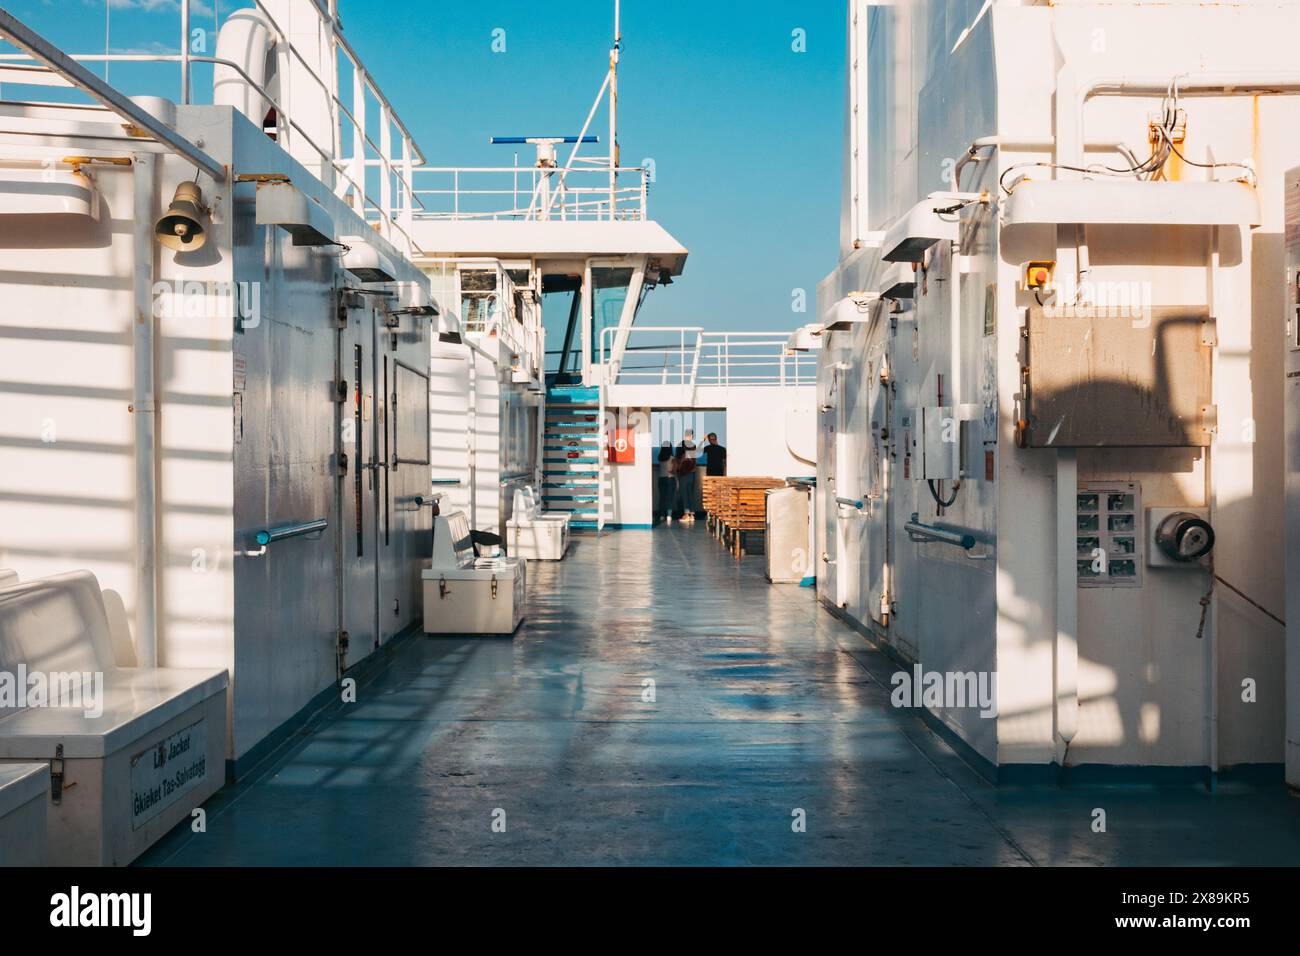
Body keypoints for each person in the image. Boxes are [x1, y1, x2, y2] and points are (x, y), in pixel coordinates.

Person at [674, 429, 705, 521]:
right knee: (689, 493)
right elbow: (694, 456)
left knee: (685, 494)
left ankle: (687, 514)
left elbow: (677, 459)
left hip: (684, 473)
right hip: (691, 472)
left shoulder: (681, 445)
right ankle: (691, 514)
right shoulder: (692, 446)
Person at [655, 442, 676, 523]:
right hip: (670, 479)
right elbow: (674, 471)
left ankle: (661, 515)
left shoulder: (660, 458)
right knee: (669, 498)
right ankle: (669, 516)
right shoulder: (672, 458)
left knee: (662, 498)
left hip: (661, 478)